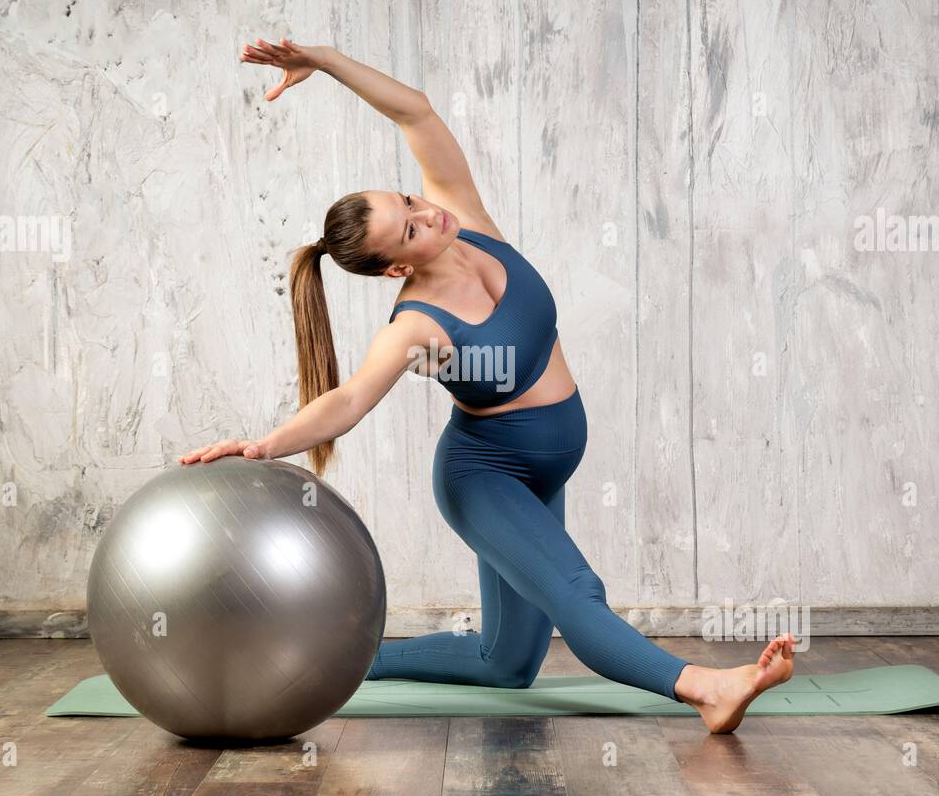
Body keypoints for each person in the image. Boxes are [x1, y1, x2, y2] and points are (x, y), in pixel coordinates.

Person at [180, 36, 795, 733]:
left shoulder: (464, 218)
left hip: (545, 467)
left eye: (410, 199)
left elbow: (414, 115)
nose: (429, 215)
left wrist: (324, 60)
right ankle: (705, 690)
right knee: (576, 594)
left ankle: (342, 656)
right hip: (486, 475)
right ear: (393, 270)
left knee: (507, 664)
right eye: (410, 228)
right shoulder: (414, 328)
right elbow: (348, 402)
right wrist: (264, 447)